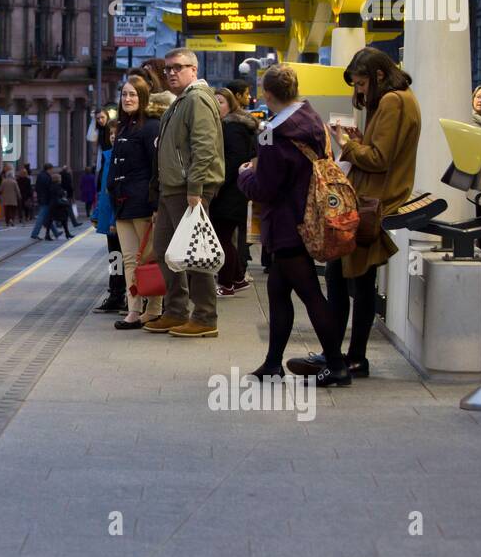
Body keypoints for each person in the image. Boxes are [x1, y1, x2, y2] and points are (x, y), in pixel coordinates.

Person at [288, 47, 420, 380]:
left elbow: (378, 159)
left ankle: (346, 357)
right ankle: (344, 354)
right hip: (375, 196)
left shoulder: (392, 101)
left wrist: (346, 143)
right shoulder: (403, 98)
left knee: (346, 278)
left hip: (373, 199)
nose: (358, 91)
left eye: (361, 83)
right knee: (354, 280)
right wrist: (360, 142)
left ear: (378, 76)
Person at [237, 65, 350, 385]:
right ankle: (273, 363)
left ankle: (337, 365)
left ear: (267, 94)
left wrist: (245, 175)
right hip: (308, 215)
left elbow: (266, 188)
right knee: (278, 290)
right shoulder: (310, 117)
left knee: (311, 293)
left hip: (288, 222)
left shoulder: (273, 132)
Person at [143, 49, 225, 338]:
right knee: (167, 250)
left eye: (178, 67)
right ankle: (175, 311)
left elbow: (205, 146)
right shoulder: (180, 101)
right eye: (167, 69)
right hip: (171, 189)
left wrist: (196, 188)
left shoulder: (197, 99)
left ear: (194, 69)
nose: (170, 73)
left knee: (195, 253)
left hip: (188, 189)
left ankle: (205, 316)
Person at [108, 75, 161, 329]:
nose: (127, 99)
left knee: (148, 258)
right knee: (129, 259)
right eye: (124, 94)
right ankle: (133, 309)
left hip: (142, 203)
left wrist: (156, 205)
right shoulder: (123, 126)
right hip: (122, 203)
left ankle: (154, 308)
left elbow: (157, 168)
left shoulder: (151, 126)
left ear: (143, 98)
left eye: (133, 95)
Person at [212, 87, 257, 296]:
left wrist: (217, 183)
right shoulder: (229, 126)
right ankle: (238, 279)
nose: (216, 105)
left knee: (222, 238)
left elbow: (233, 160)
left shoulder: (232, 128)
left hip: (230, 192)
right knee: (224, 236)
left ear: (231, 105)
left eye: (220, 101)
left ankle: (226, 283)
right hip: (232, 191)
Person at [92, 109, 126, 314]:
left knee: (123, 257)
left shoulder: (122, 158)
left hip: (119, 217)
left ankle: (121, 294)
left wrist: (114, 219)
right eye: (111, 134)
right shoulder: (107, 156)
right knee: (114, 257)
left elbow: (117, 192)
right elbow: (103, 190)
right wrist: (97, 214)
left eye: (117, 134)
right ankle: (115, 293)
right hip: (108, 218)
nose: (113, 137)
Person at [29, 162, 57, 240]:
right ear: (49, 169)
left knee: (47, 217)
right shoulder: (47, 177)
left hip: (41, 198)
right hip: (46, 199)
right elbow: (49, 189)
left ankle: (56, 232)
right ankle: (34, 233)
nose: (52, 171)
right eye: (52, 170)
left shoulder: (40, 175)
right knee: (41, 217)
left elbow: (37, 187)